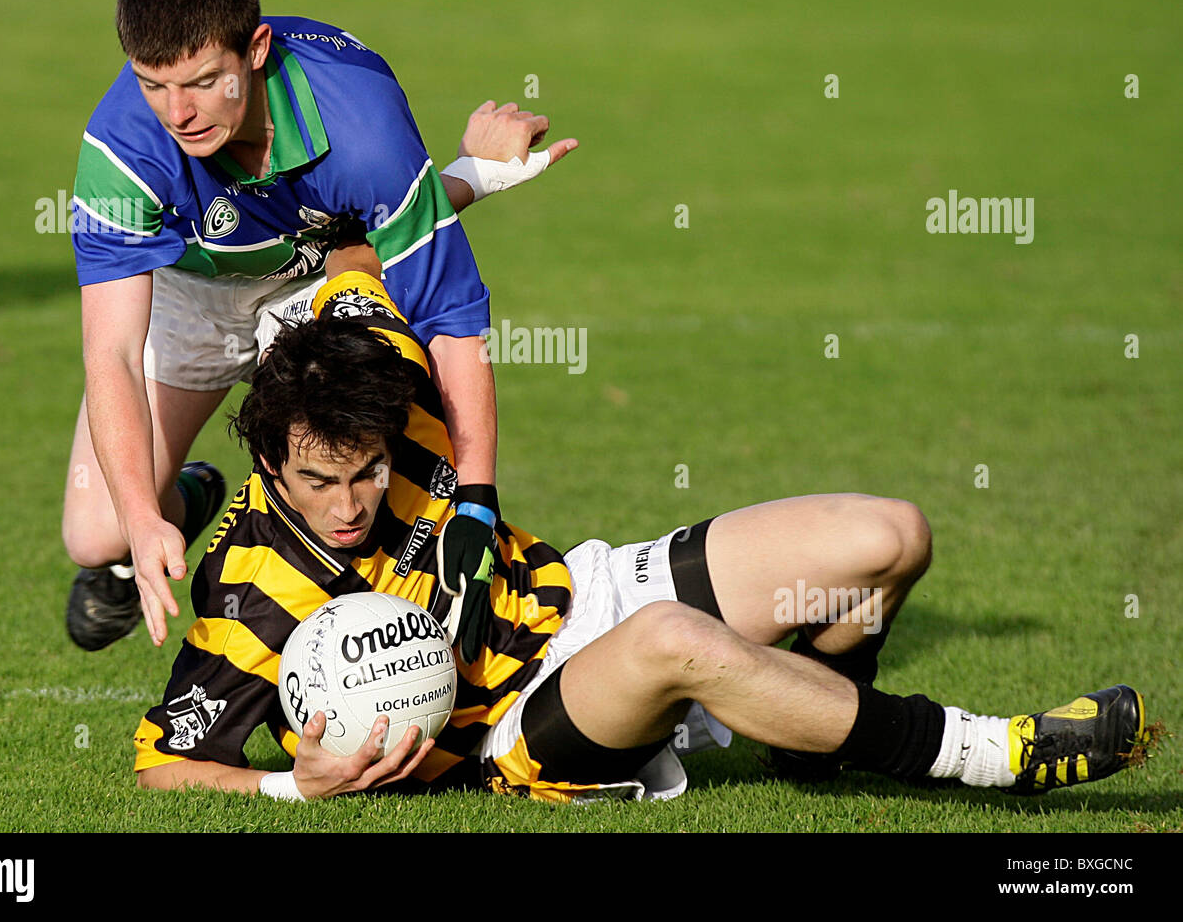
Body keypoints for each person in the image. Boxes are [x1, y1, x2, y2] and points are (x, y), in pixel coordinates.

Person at [132, 267, 1148, 802]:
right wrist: (292, 784)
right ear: (269, 464)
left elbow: (361, 244)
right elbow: (161, 764)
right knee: (675, 639)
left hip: (585, 593)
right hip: (512, 732)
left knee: (887, 537)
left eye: (368, 473)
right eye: (321, 482)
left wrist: (471, 173)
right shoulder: (245, 588)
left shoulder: (383, 388)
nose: (352, 503)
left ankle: (810, 746)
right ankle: (989, 757)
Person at [63, 0, 576, 652]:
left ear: (257, 47)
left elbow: (451, 317)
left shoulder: (361, 126)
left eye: (206, 81)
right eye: (155, 84)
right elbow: (112, 351)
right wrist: (148, 523)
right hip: (194, 290)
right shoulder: (122, 148)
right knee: (96, 534)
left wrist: (478, 501)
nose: (178, 113)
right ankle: (192, 496)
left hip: (321, 282)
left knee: (331, 478)